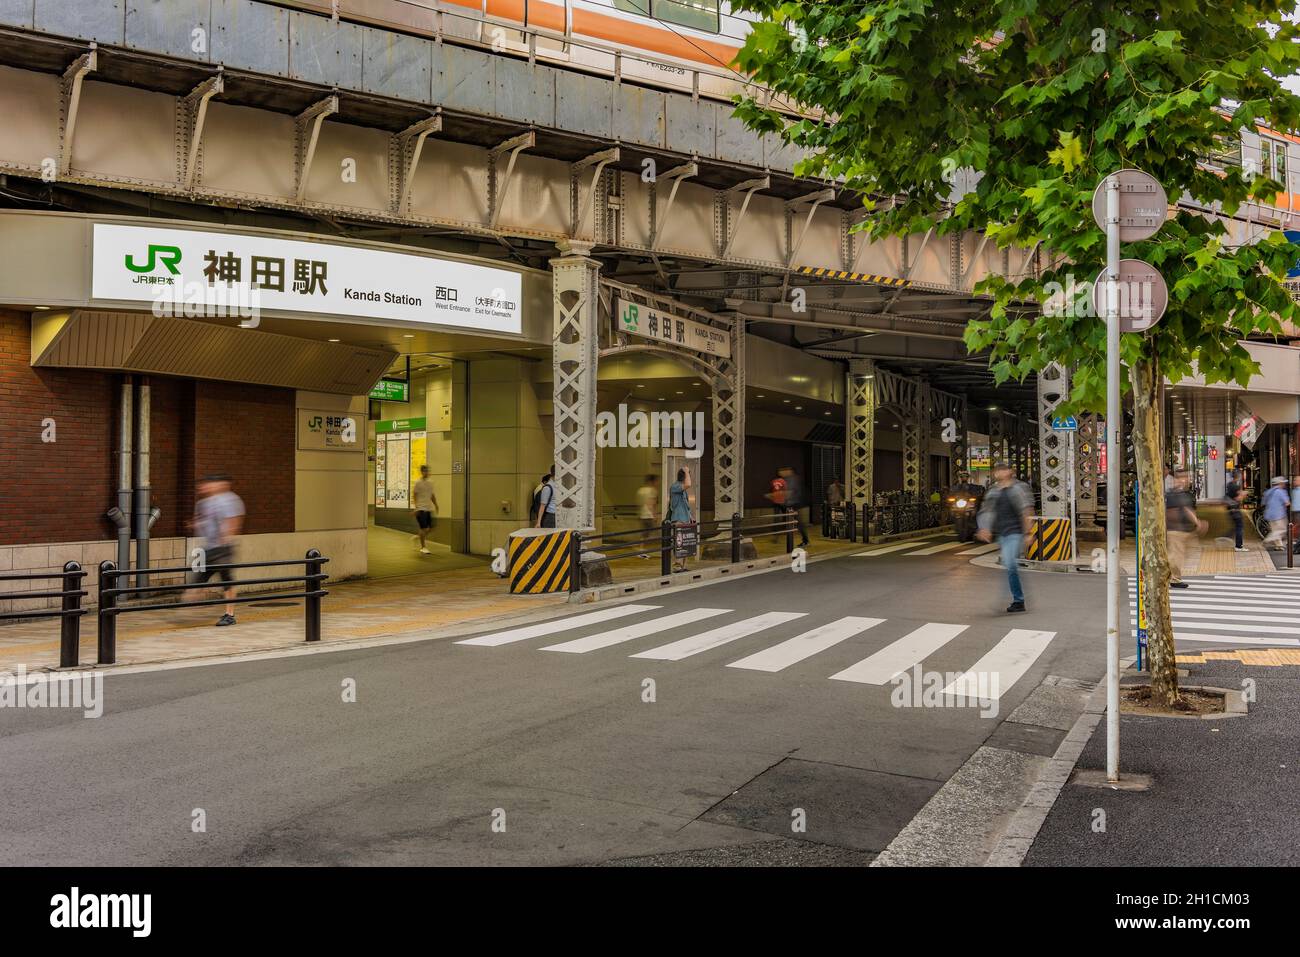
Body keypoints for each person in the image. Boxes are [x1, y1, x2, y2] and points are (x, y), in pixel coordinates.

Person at [976, 462, 1034, 613]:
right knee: (1010, 566)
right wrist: (984, 528)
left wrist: (1028, 533)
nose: (999, 473)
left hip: (1015, 533)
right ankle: (1017, 598)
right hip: (1002, 534)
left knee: (1010, 564)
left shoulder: (1019, 488)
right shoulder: (993, 490)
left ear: (1010, 471)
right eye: (997, 470)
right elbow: (986, 510)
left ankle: (1018, 600)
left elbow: (1026, 510)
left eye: (1003, 470)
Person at [189, 472, 245, 627]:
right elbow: (201, 520)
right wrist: (195, 524)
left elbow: (234, 519)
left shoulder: (230, 499)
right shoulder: (203, 503)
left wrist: (228, 536)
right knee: (198, 578)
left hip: (223, 548)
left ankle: (229, 614)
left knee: (227, 580)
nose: (206, 487)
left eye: (211, 484)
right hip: (208, 547)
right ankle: (194, 602)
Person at [1166, 470, 1207, 586]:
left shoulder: (1183, 493)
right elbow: (1185, 510)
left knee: (1180, 554)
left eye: (1187, 477)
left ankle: (1170, 574)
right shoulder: (1173, 494)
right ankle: (1175, 579)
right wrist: (1197, 522)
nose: (1186, 480)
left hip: (1184, 530)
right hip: (1175, 530)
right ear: (1176, 479)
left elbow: (1188, 509)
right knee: (1175, 555)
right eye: (1182, 477)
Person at [667, 468, 694, 572]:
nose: (689, 477)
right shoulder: (675, 486)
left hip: (685, 519)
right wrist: (687, 471)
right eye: (688, 476)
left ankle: (683, 565)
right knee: (678, 543)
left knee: (685, 543)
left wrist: (691, 517)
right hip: (678, 519)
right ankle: (677, 565)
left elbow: (686, 505)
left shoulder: (683, 491)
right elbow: (688, 484)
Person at [779, 466, 810, 548]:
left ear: (789, 471)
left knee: (798, 523)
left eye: (782, 471)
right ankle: (803, 540)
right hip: (789, 504)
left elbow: (791, 492)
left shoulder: (793, 479)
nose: (781, 473)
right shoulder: (786, 479)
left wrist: (781, 495)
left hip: (794, 504)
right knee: (794, 523)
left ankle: (805, 540)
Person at [411, 464, 438, 555]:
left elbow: (432, 495)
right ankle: (423, 547)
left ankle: (417, 537)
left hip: (428, 508)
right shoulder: (418, 482)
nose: (427, 473)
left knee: (431, 527)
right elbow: (414, 495)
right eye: (425, 471)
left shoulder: (431, 482)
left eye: (428, 471)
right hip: (421, 508)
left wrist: (436, 505)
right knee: (423, 528)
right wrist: (416, 507)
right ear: (422, 472)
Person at [1261, 475, 1289, 551]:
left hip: (1269, 514)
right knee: (1282, 530)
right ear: (1280, 484)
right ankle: (1268, 539)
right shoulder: (1281, 491)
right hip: (1279, 514)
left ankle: (1279, 546)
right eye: (1283, 483)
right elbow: (1287, 503)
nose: (1284, 484)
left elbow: (1263, 502)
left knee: (1275, 530)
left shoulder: (1268, 492)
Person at [635, 474, 660, 559]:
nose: (657, 483)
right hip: (649, 515)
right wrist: (654, 515)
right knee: (649, 534)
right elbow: (651, 503)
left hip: (642, 514)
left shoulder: (640, 490)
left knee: (645, 534)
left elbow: (639, 503)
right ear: (652, 481)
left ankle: (641, 549)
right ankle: (641, 550)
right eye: (656, 481)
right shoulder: (652, 490)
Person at [1224, 469, 1247, 553]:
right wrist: (1244, 494)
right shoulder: (1235, 486)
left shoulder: (1229, 484)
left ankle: (1225, 537)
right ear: (1238, 476)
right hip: (1235, 509)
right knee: (1239, 527)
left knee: (1236, 526)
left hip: (1230, 509)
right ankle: (1238, 546)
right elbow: (1238, 498)